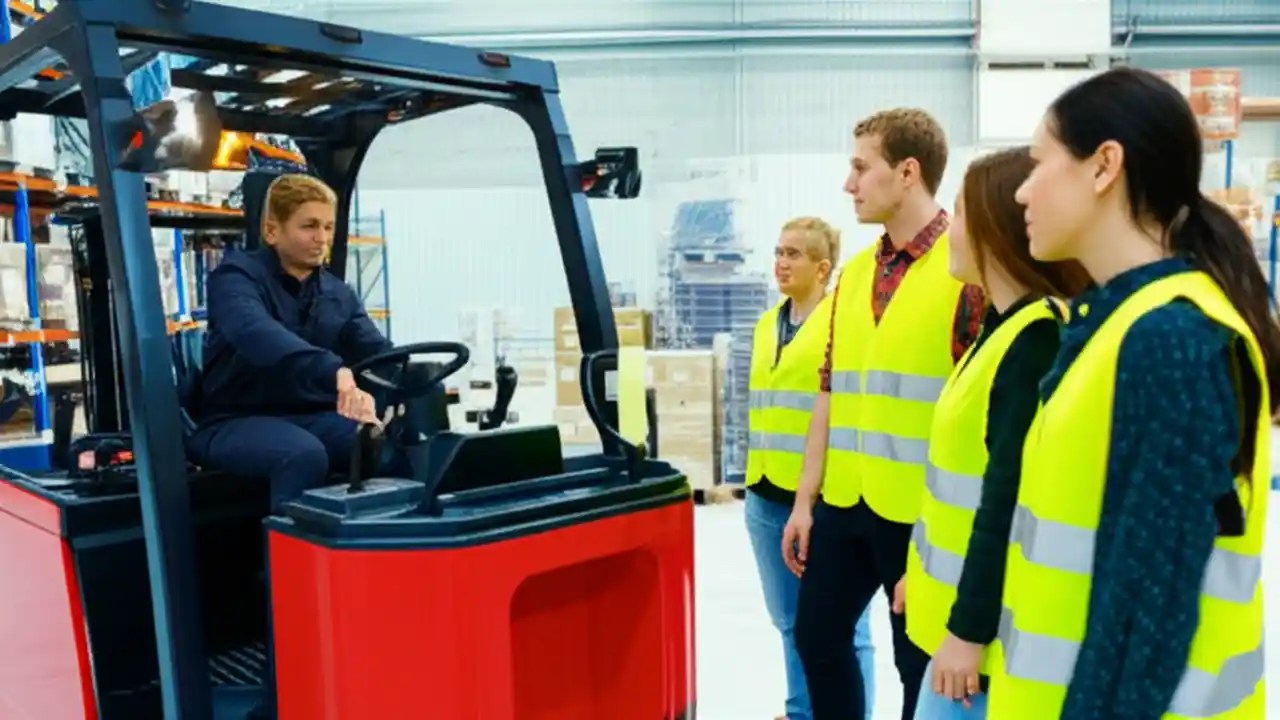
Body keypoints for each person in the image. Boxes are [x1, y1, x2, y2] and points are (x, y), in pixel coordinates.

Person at [986, 66, 1276, 719]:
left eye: (1038, 165)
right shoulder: (1118, 325)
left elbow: (1149, 619)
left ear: (1103, 166)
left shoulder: (1169, 340)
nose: (1023, 193)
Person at [784, 108, 987, 720]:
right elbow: (829, 390)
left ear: (907, 172)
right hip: (846, 503)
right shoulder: (852, 277)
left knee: (916, 666)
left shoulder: (965, 274)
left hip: (919, 516)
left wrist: (947, 542)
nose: (849, 185)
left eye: (859, 167)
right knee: (815, 637)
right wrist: (804, 499)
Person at [891, 147, 1091, 719]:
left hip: (981, 646)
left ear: (996, 231)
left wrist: (968, 631)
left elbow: (1005, 503)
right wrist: (921, 578)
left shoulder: (1035, 345)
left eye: (960, 212)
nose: (951, 231)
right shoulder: (996, 330)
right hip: (951, 616)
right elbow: (961, 482)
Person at [187, 173, 392, 512]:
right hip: (232, 420)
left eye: (328, 227)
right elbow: (255, 333)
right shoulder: (235, 279)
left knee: (383, 447)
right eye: (309, 226)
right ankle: (290, 563)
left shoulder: (337, 294)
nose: (321, 238)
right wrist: (333, 371)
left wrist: (413, 377)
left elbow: (376, 352)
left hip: (308, 417)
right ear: (272, 231)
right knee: (301, 454)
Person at [745, 217, 876, 720]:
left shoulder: (840, 326)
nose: (781, 261)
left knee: (841, 625)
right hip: (763, 491)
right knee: (788, 620)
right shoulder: (766, 324)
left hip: (818, 499)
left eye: (794, 254)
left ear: (823, 268)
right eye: (778, 251)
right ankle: (803, 711)